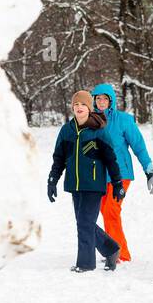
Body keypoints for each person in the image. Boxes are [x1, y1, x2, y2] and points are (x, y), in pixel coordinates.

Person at [48, 90, 124, 272]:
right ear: (72, 107)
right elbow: (58, 158)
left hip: (94, 184)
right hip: (75, 184)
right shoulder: (66, 130)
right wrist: (52, 180)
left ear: (89, 108)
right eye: (76, 104)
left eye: (83, 104)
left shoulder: (98, 130)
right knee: (85, 222)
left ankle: (86, 263)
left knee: (84, 222)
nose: (79, 107)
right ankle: (111, 249)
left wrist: (117, 183)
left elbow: (111, 159)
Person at [90, 83, 153, 263]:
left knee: (112, 210)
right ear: (94, 100)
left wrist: (149, 171)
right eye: (98, 98)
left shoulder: (124, 120)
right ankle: (113, 250)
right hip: (99, 175)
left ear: (111, 100)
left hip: (121, 174)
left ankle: (121, 253)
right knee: (104, 211)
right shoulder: (90, 121)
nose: (101, 101)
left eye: (105, 98)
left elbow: (139, 146)